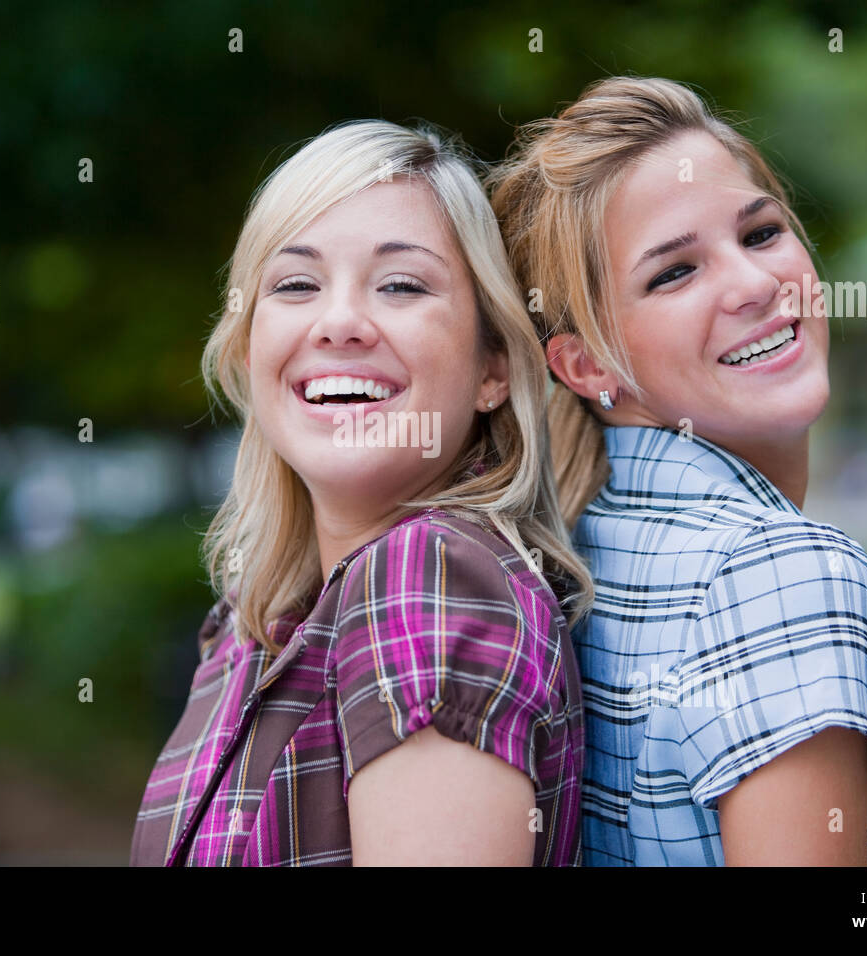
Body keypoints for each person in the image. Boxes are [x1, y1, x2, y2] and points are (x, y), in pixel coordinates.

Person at [488, 76, 867, 866]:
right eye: (673, 273)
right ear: (584, 365)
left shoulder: (578, 550)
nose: (754, 285)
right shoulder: (783, 570)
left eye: (761, 232)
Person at [130, 119, 593, 866]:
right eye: (296, 284)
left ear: (493, 368)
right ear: (250, 351)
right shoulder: (254, 620)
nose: (339, 322)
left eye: (401, 284)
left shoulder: (430, 581)